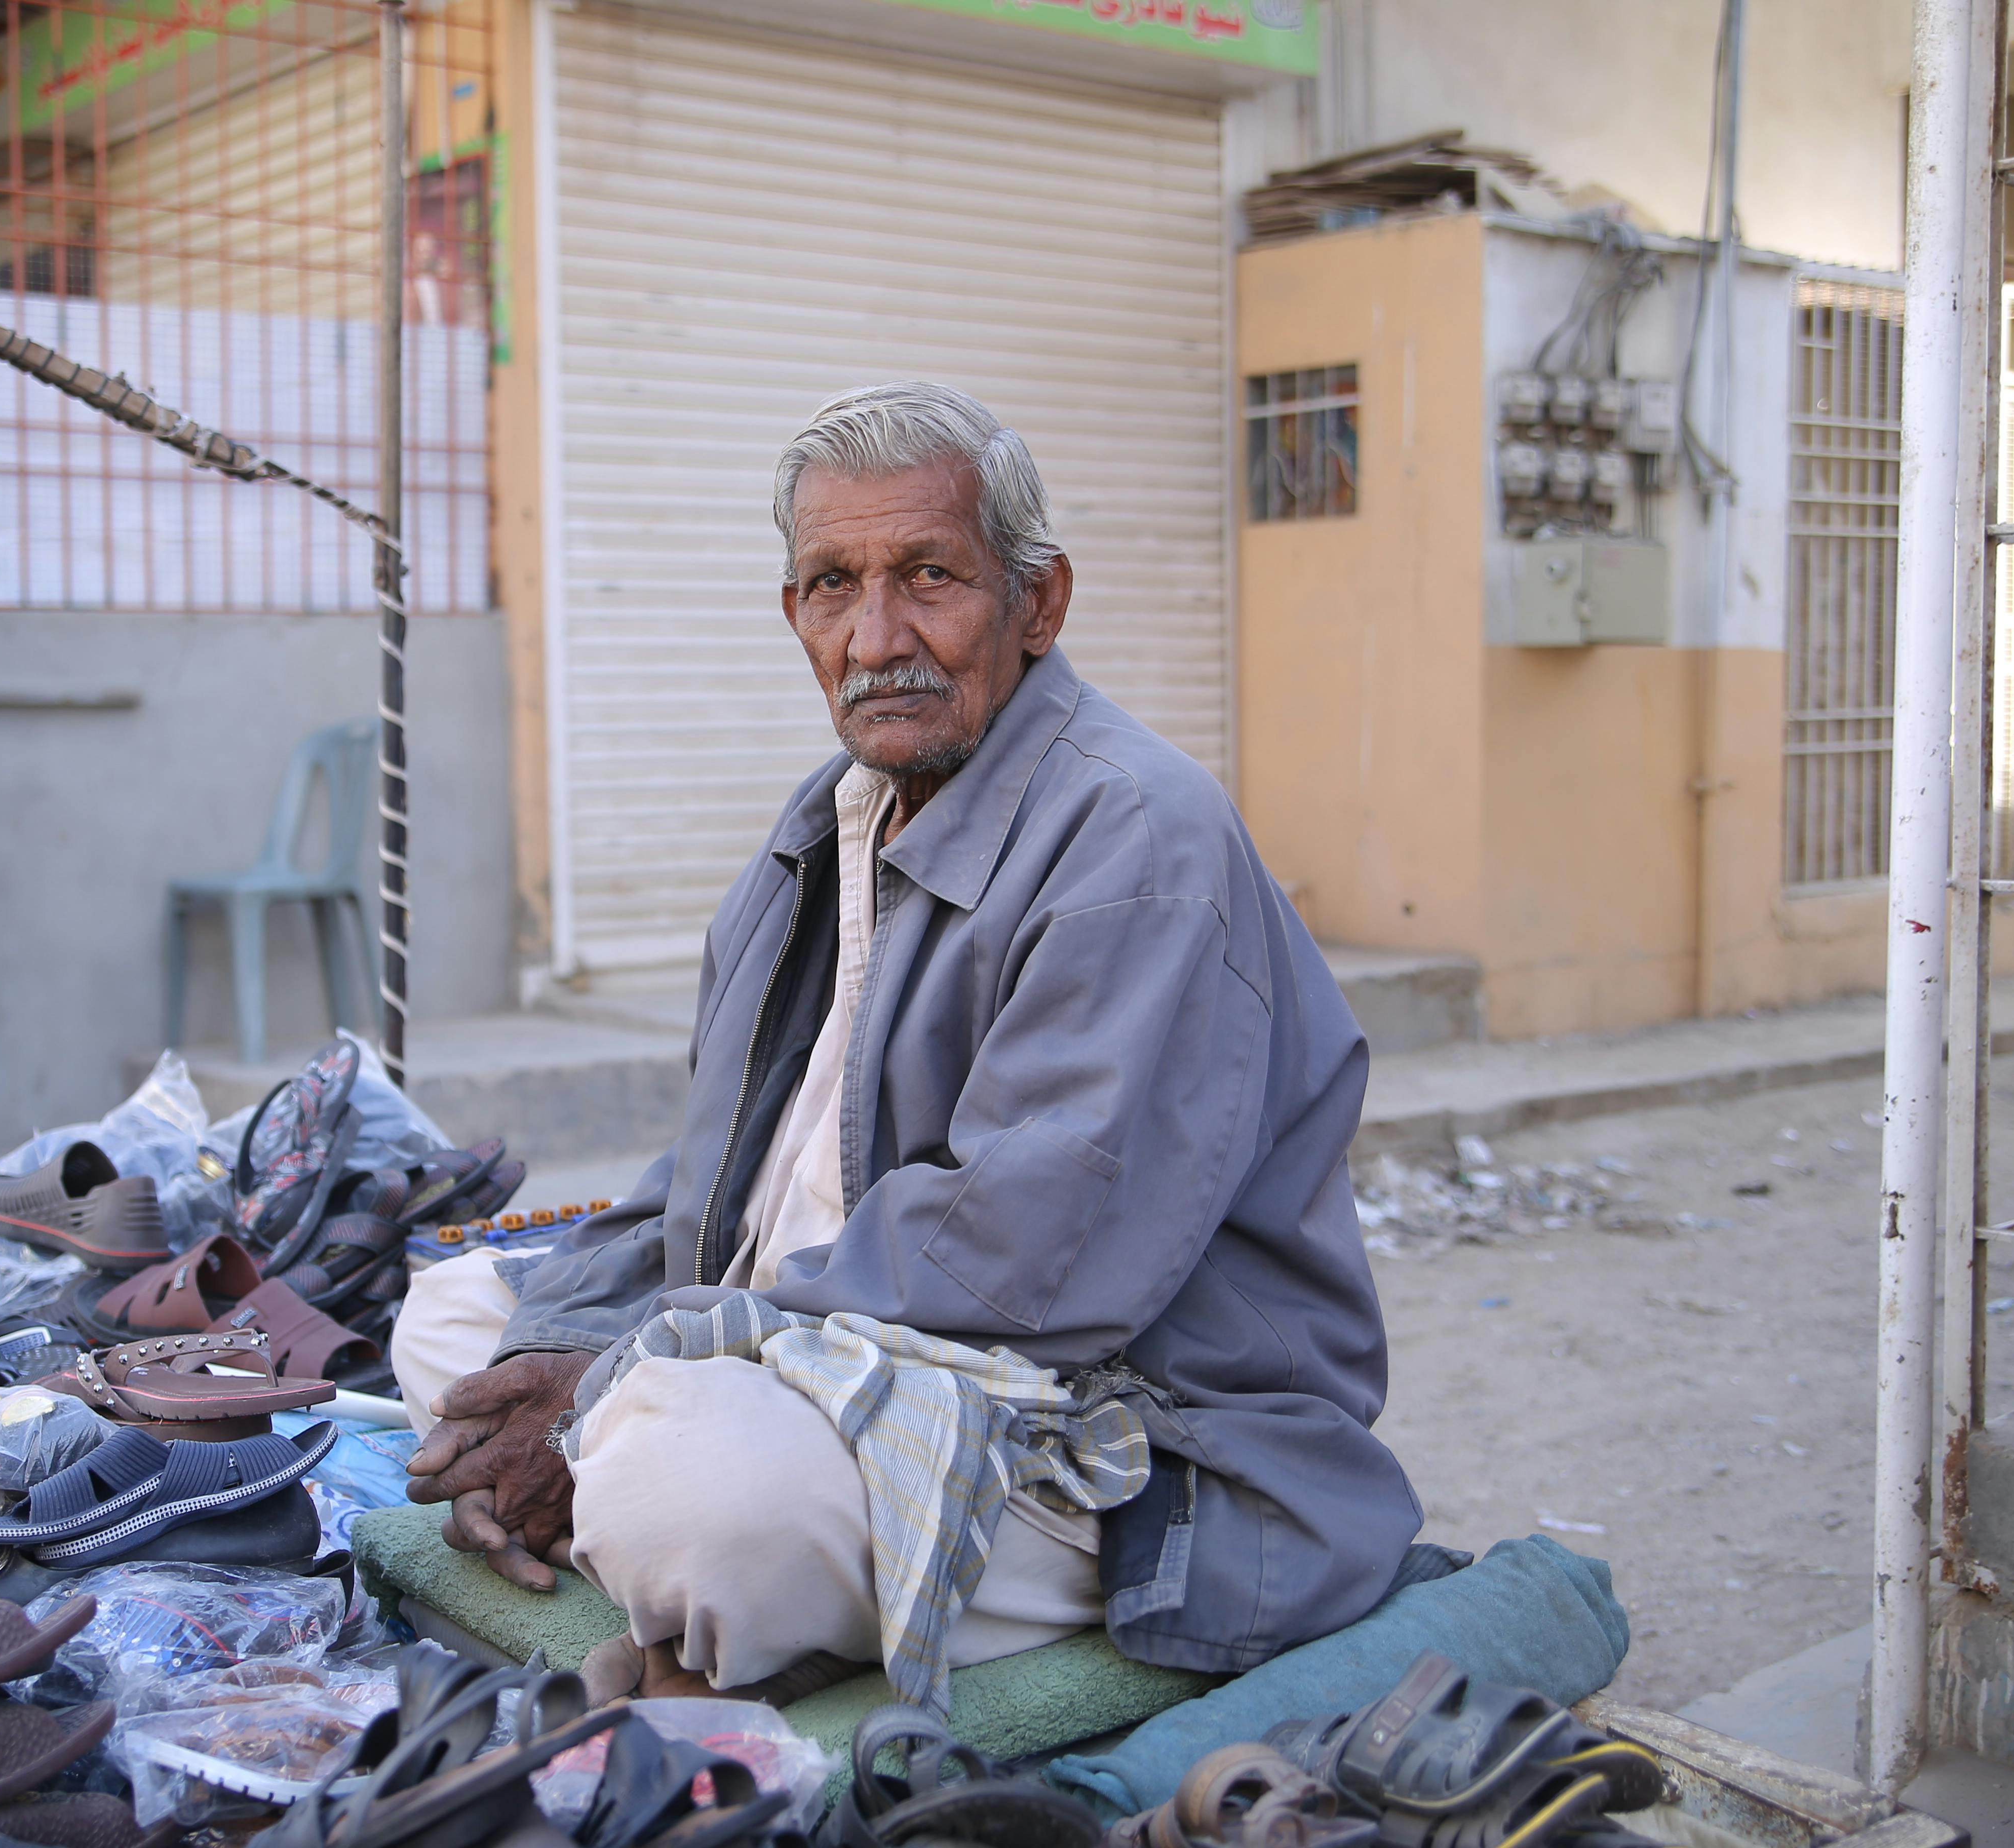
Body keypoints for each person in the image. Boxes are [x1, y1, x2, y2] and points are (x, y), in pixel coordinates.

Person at [393, 381, 1421, 1703]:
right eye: (834, 585)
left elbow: (1022, 1262)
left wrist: (618, 1372)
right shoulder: (835, 821)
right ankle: (637, 1518)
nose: (880, 635)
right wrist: (577, 1344)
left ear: (1037, 604)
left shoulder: (1136, 838)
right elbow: (719, 1177)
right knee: (452, 1324)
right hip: (811, 1335)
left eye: (930, 575)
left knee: (690, 1493)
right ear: (795, 619)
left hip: (1104, 1423)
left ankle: (654, 1539)